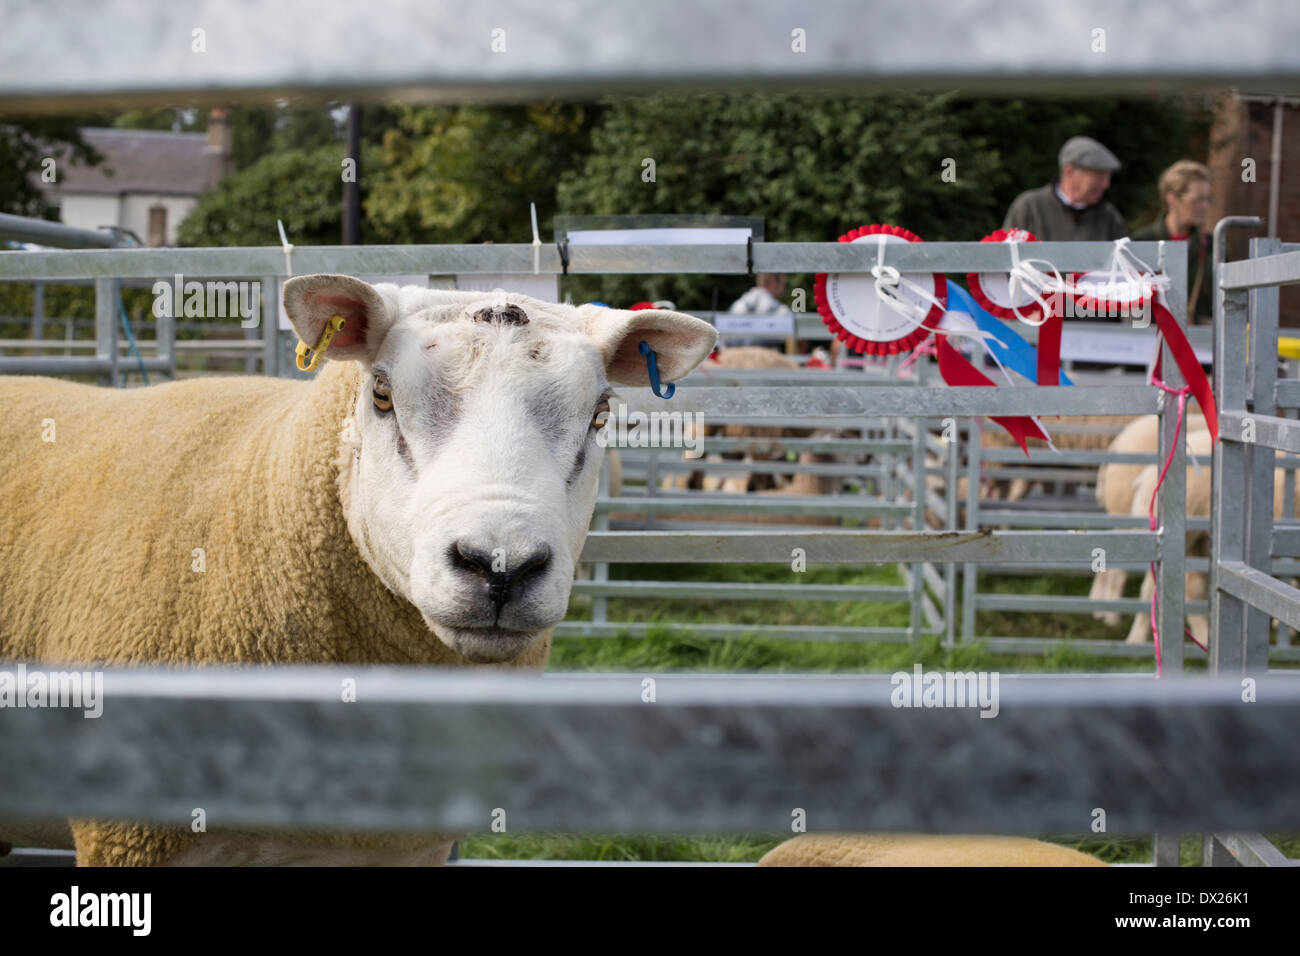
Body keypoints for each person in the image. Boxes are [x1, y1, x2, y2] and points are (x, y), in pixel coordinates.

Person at [1002, 136, 1127, 242]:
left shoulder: (1109, 217)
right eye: (1099, 177)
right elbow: (1003, 260)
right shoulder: (1030, 207)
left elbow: (1127, 266)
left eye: (1107, 178)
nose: (1106, 185)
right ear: (1069, 171)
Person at [1132, 160, 1213, 324]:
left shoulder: (1213, 246)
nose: (1205, 206)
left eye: (1207, 199)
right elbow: (1132, 306)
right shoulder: (1143, 242)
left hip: (1198, 343)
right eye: (1197, 200)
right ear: (1172, 198)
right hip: (1151, 340)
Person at [726, 273, 792, 348]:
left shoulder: (737, 305)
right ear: (772, 281)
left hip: (735, 356)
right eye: (783, 283)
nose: (784, 289)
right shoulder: (780, 310)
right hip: (765, 357)